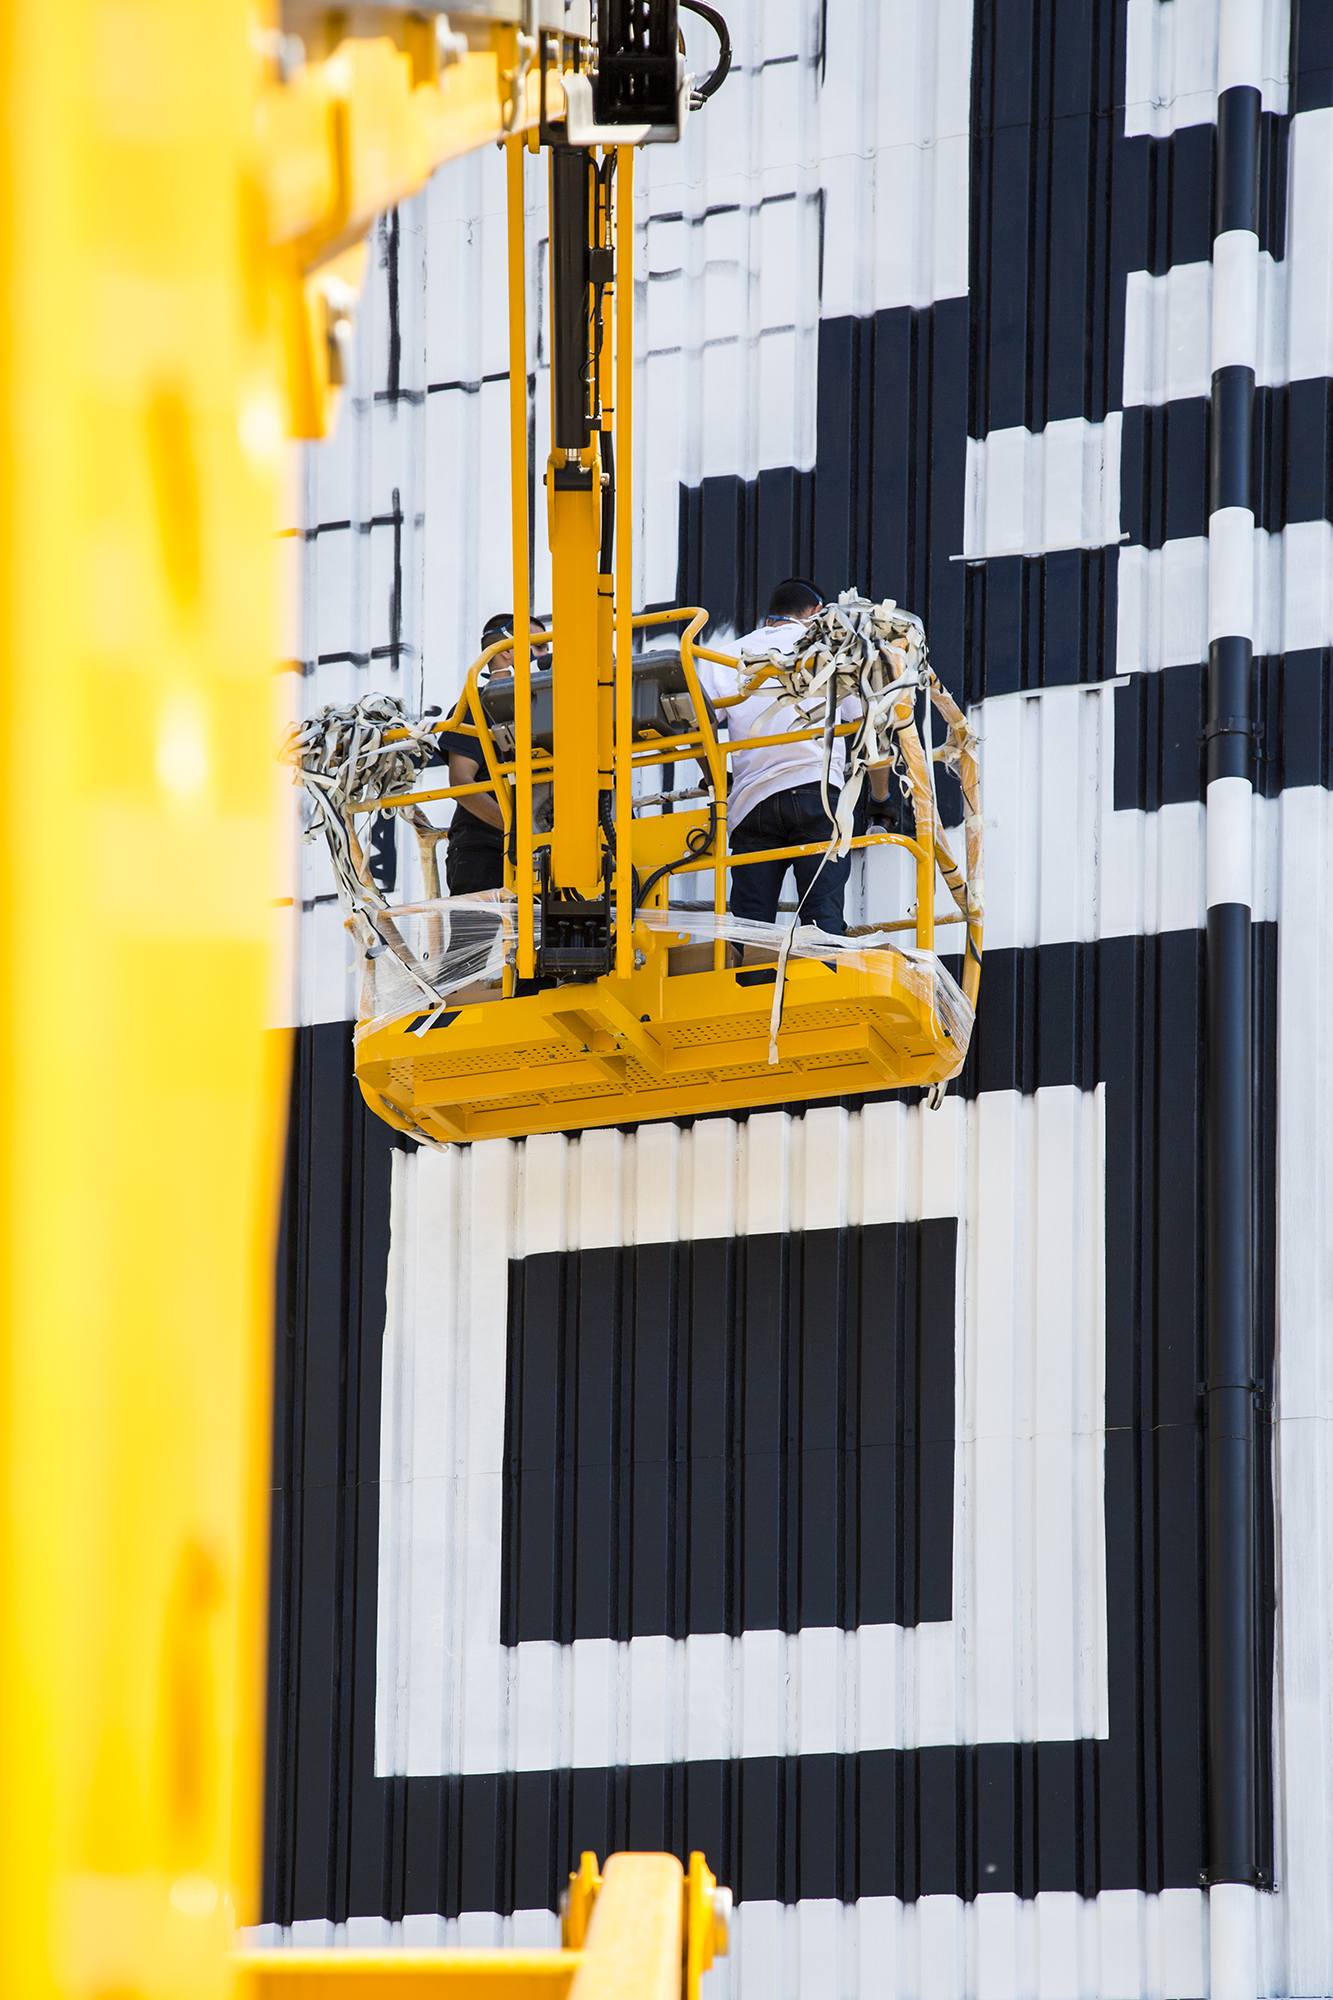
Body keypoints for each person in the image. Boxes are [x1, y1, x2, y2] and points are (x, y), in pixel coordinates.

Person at [696, 578, 893, 934]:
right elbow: (871, 727)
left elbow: (699, 724)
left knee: (751, 928)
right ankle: (827, 980)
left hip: (750, 805)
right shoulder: (830, 654)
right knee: (822, 918)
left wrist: (715, 780)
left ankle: (751, 986)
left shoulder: (724, 656)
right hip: (817, 795)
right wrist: (881, 799)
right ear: (817, 612)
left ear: (771, 615)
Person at [439, 613, 549, 894]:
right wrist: (517, 831)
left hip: (547, 851)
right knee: (482, 939)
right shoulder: (473, 707)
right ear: (508, 651)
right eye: (539, 647)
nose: (546, 655)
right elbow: (462, 783)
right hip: (485, 850)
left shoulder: (552, 707)